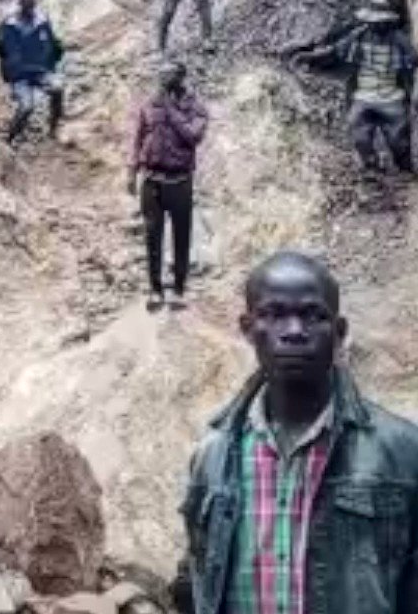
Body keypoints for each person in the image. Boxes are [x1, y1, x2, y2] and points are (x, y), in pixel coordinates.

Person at [174, 250, 418, 614]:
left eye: (313, 315)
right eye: (273, 315)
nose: (293, 332)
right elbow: (198, 579)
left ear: (338, 332)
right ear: (247, 327)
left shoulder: (400, 451)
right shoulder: (213, 455)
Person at [294, 0, 416, 174]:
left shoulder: (398, 39)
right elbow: (335, 50)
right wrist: (310, 57)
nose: (376, 25)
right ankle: (371, 166)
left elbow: (413, 57)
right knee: (359, 132)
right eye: (373, 21)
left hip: (392, 97)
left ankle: (405, 170)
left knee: (398, 140)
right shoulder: (360, 35)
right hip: (364, 95)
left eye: (380, 22)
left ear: (388, 21)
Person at [128, 60, 207, 311]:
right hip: (151, 181)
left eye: (168, 74)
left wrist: (171, 110)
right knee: (152, 236)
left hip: (180, 181)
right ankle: (155, 289)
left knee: (181, 236)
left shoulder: (195, 107)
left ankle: (180, 289)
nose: (161, 78)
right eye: (160, 73)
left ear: (180, 77)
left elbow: (193, 137)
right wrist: (131, 172)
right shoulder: (149, 104)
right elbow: (138, 139)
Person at [0, 0, 65, 144]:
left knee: (58, 88)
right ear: (21, 7)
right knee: (26, 107)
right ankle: (9, 138)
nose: (30, 9)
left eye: (32, 6)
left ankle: (53, 128)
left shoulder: (42, 20)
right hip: (19, 74)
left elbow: (53, 43)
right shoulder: (9, 24)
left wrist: (53, 61)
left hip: (40, 70)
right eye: (26, 6)